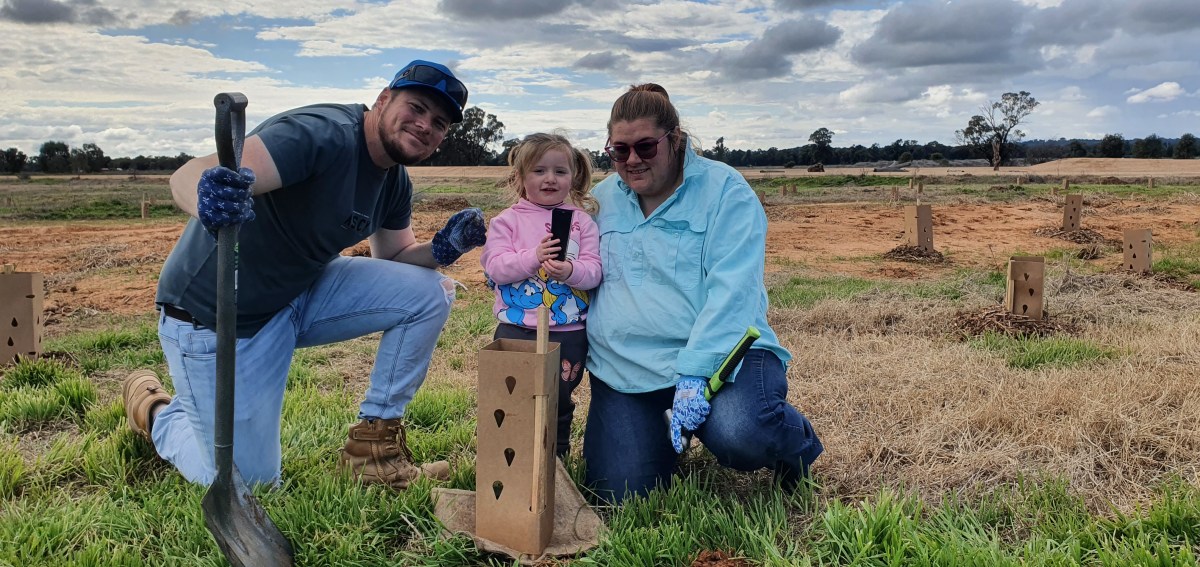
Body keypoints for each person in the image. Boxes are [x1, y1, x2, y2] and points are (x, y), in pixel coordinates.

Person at [121, 60, 486, 490]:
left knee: (431, 291)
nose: (426, 125)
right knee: (249, 484)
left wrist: (443, 250)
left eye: (439, 122)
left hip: (299, 294)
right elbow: (189, 173)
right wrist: (206, 195)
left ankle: (373, 451)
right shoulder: (321, 133)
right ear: (384, 100)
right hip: (216, 317)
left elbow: (396, 257)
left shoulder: (394, 182)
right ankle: (160, 413)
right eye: (417, 108)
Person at [582, 84, 823, 504]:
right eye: (619, 151)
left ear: (674, 139)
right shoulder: (600, 201)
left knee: (741, 433)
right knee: (620, 495)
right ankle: (659, 435)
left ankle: (795, 443)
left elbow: (735, 294)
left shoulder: (725, 191)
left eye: (645, 147)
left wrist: (695, 373)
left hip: (720, 364)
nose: (632, 161)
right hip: (625, 372)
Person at [480, 133, 602, 457]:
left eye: (560, 171)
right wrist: (533, 257)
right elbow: (496, 267)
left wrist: (571, 271)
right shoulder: (507, 222)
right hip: (516, 328)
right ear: (520, 177)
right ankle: (512, 460)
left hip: (568, 332)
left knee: (558, 398)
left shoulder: (582, 223)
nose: (550, 179)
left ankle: (554, 460)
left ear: (573, 176)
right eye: (539, 171)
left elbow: (595, 271)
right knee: (512, 398)